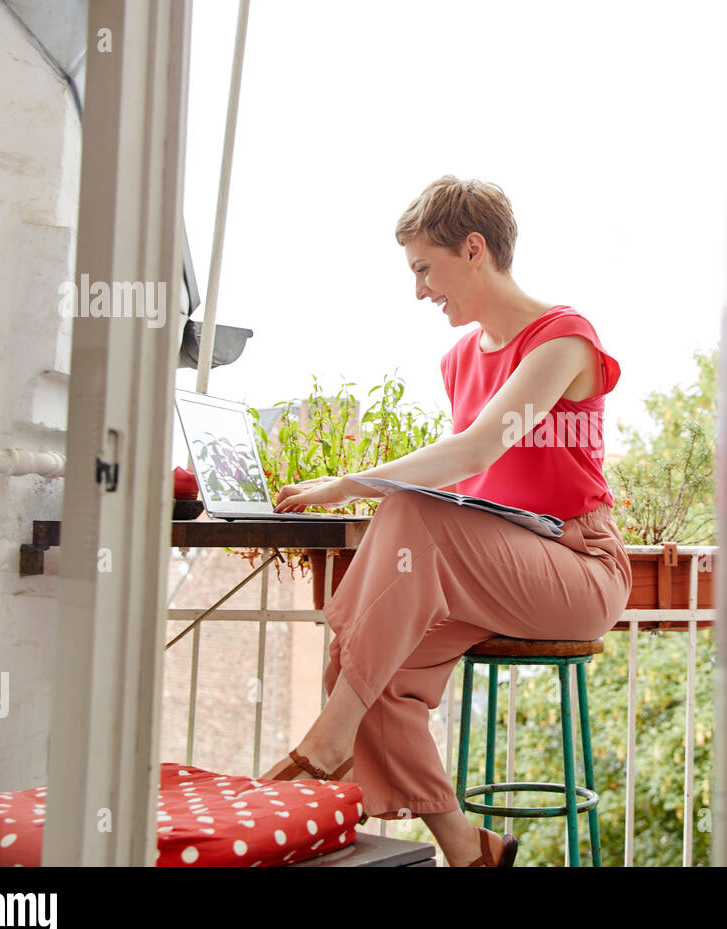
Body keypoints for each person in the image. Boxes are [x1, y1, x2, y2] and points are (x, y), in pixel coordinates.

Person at [261, 175, 631, 867]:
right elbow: (468, 485)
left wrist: (346, 485)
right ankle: (470, 851)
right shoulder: (459, 357)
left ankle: (330, 737)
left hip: (579, 570)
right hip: (499, 567)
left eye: (424, 269)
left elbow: (478, 448)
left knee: (406, 513)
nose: (421, 290)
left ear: (474, 249)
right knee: (378, 672)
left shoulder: (565, 338)